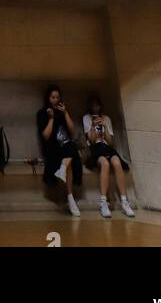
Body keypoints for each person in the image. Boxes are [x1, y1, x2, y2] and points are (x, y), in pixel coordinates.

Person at [83, 93, 135, 218]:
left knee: (117, 163)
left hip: (106, 147)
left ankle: (124, 202)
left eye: (97, 105)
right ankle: (103, 202)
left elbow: (110, 142)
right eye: (93, 106)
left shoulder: (106, 118)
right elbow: (90, 139)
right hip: (95, 148)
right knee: (105, 164)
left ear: (100, 106)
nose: (96, 108)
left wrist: (105, 126)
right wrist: (94, 125)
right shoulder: (87, 118)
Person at [37, 83, 82, 217]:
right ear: (48, 98)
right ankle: (70, 198)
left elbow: (71, 129)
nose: (55, 100)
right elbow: (46, 135)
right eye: (52, 97)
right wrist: (51, 118)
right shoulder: (42, 113)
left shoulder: (62, 112)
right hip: (52, 149)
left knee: (71, 147)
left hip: (65, 146)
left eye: (57, 97)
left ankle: (69, 194)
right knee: (70, 155)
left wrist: (65, 112)